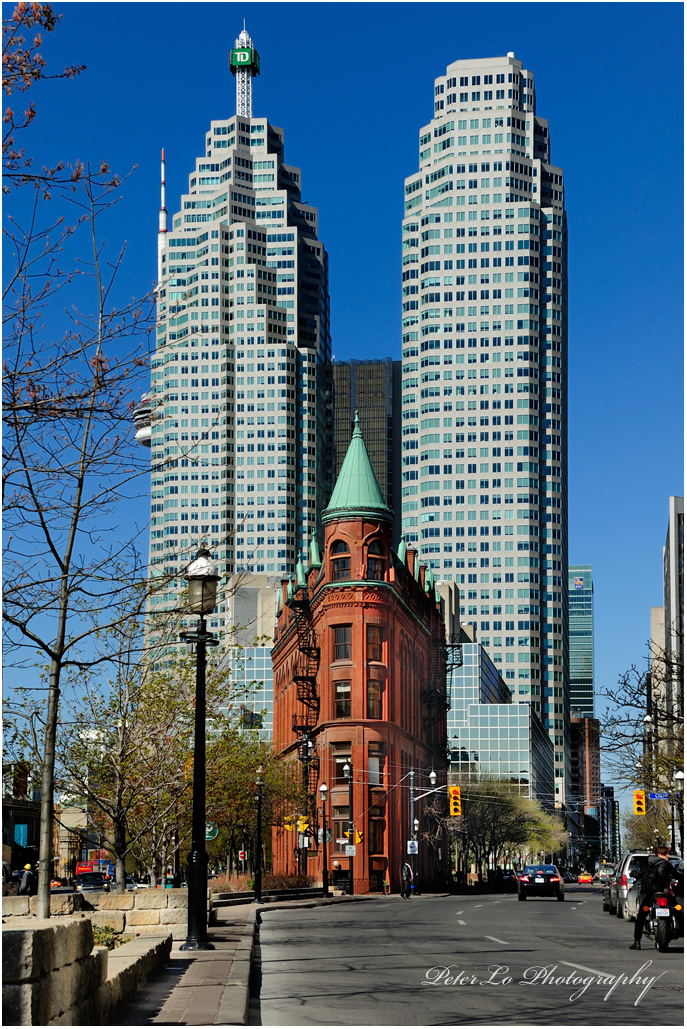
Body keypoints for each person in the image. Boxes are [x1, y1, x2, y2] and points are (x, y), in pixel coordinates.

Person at [629, 845, 674, 950]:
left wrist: (635, 874)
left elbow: (641, 874)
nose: (668, 855)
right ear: (659, 854)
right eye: (665, 853)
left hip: (651, 894)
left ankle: (637, 941)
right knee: (677, 911)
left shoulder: (650, 864)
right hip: (665, 893)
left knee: (641, 916)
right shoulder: (667, 865)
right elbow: (676, 874)